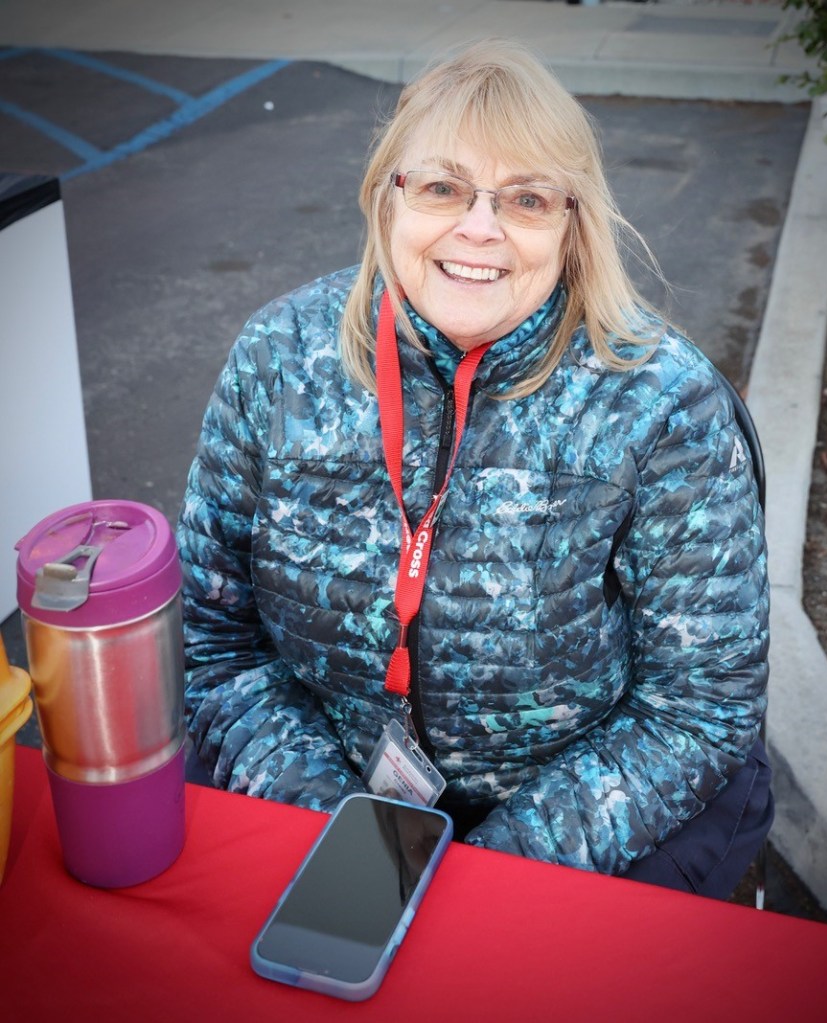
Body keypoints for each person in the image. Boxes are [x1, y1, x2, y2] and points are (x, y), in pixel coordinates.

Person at [178, 38, 772, 899]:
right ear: (387, 199)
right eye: (442, 186)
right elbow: (215, 645)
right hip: (327, 794)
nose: (478, 227)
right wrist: (347, 840)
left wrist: (493, 876)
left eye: (525, 198)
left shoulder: (660, 403)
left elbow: (701, 707)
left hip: (599, 818)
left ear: (573, 227)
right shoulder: (278, 358)